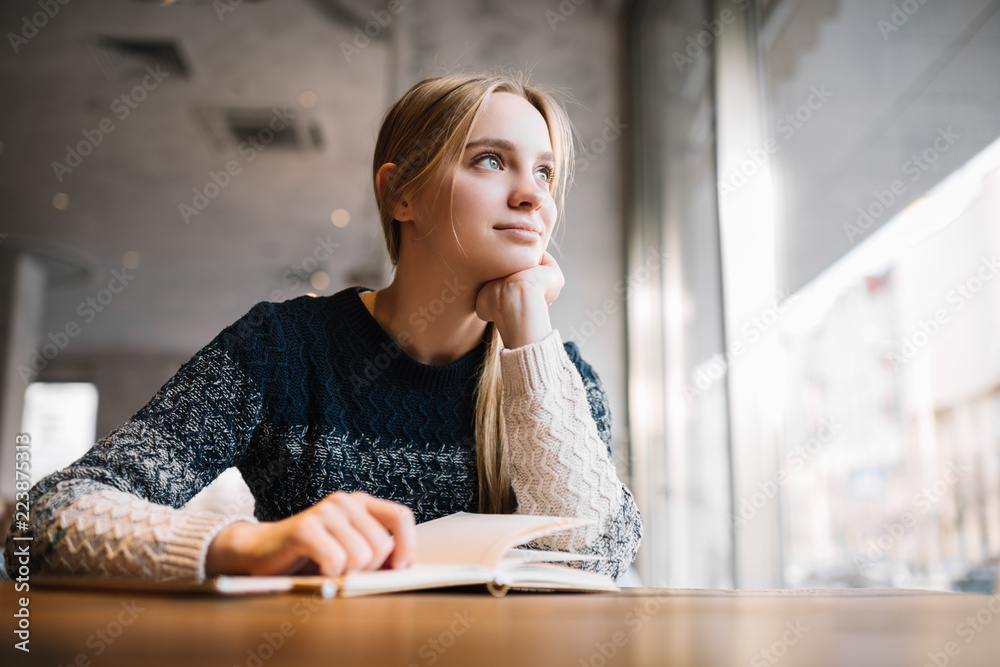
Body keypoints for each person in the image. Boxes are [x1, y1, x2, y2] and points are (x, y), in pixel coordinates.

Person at [4, 71, 642, 583]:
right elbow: (45, 519)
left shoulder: (558, 376)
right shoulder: (282, 348)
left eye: (545, 172)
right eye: (489, 161)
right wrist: (243, 546)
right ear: (401, 196)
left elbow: (599, 557)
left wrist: (529, 331)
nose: (532, 195)